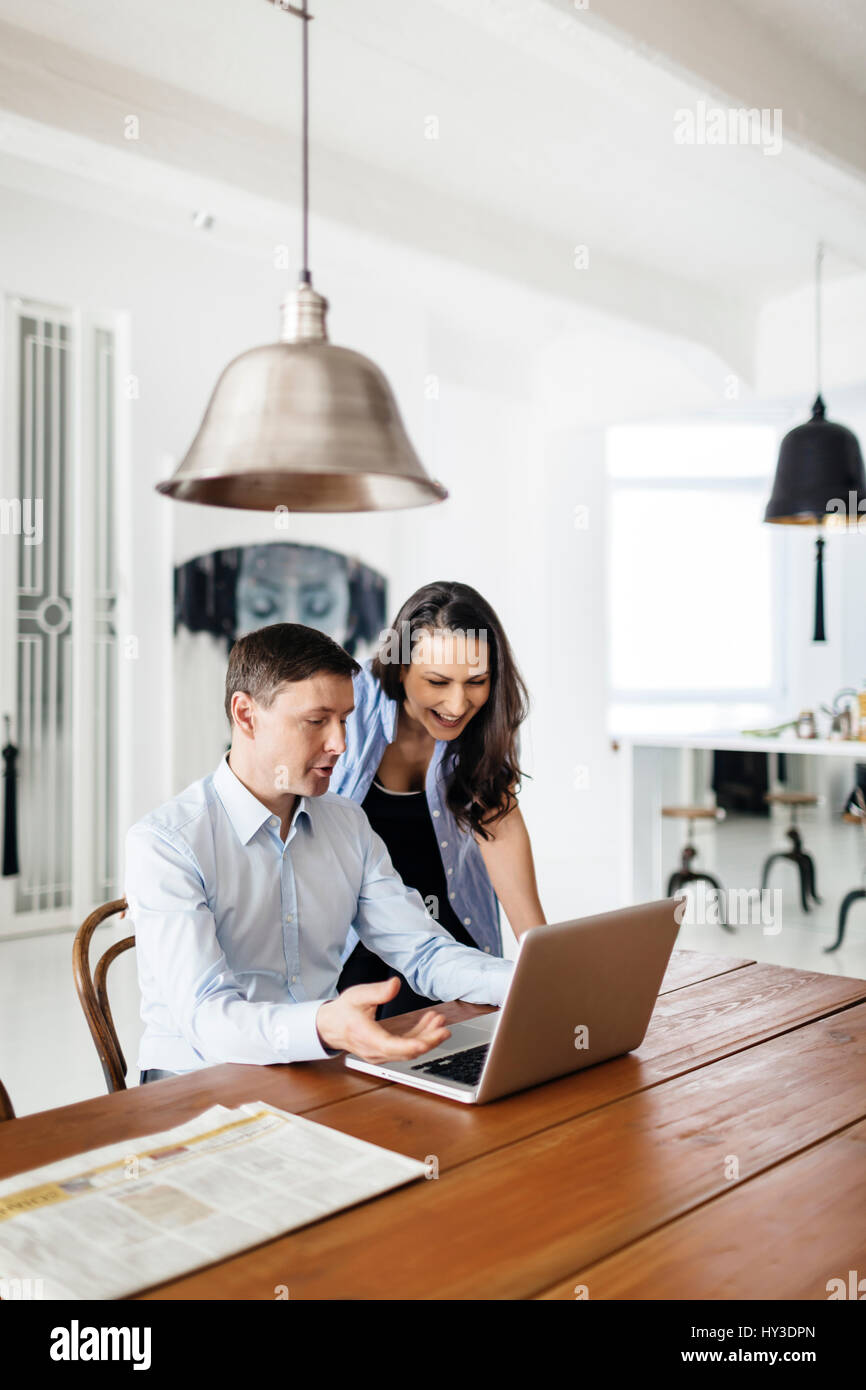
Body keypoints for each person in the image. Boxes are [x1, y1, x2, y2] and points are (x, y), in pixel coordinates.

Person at [126, 623, 512, 1083]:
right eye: (317, 721)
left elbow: (423, 952)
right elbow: (208, 1018)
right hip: (194, 1081)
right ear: (246, 714)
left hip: (310, 1070)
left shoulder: (347, 824)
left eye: (345, 720)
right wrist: (324, 1024)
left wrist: (531, 981)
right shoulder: (166, 843)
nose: (340, 744)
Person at [335, 580, 546, 1018]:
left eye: (477, 681)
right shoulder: (347, 705)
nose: (457, 703)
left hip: (457, 955)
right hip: (357, 954)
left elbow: (499, 828)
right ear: (399, 669)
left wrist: (543, 960)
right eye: (437, 681)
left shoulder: (487, 721)